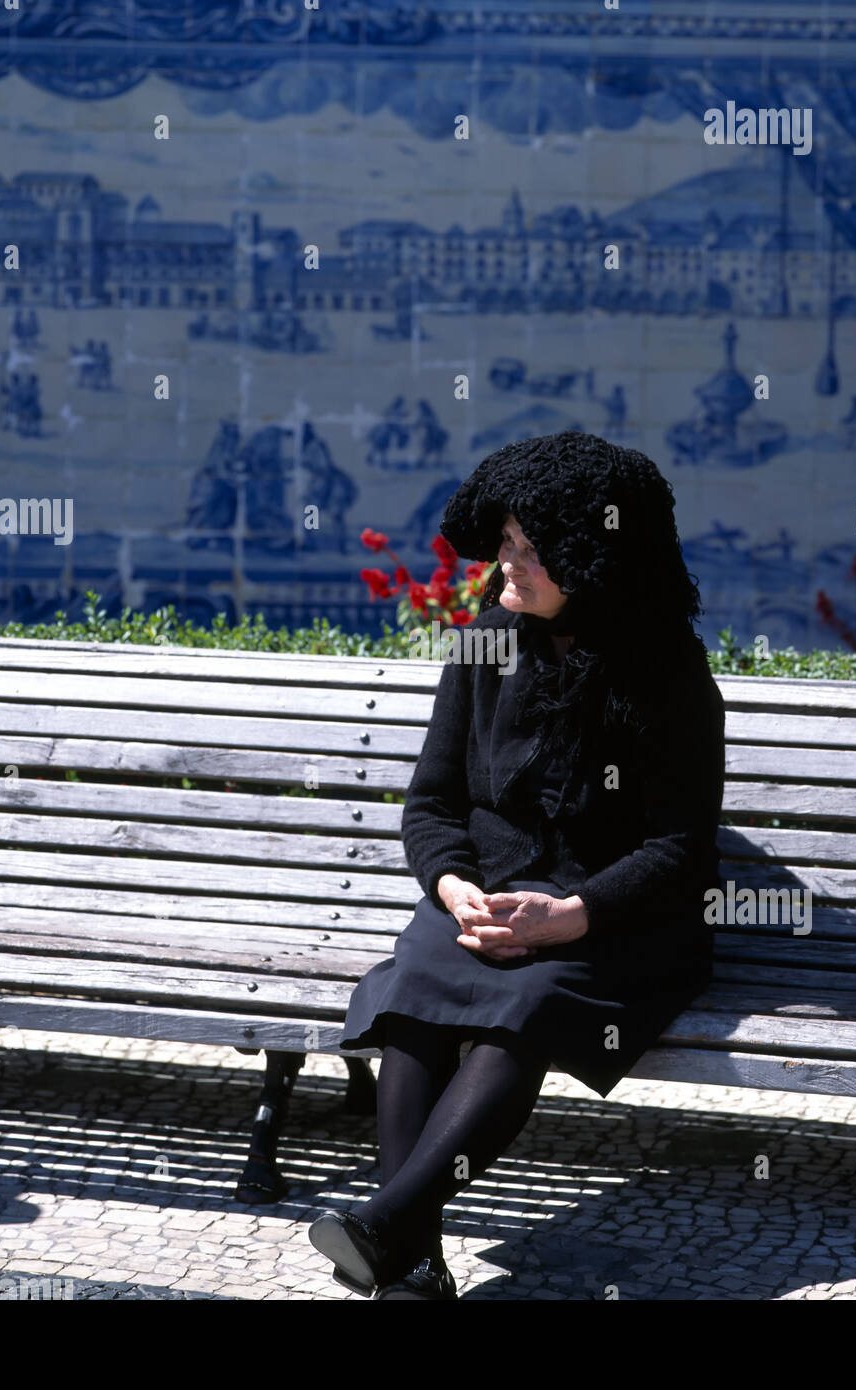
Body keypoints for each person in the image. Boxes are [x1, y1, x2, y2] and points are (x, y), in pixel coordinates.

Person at [309, 429, 726, 1299]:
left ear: (593, 555)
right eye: (504, 543)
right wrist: (453, 886)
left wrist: (570, 916)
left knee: (524, 1008)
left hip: (617, 924)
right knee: (416, 988)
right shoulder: (484, 644)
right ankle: (413, 1262)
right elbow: (430, 804)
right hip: (486, 899)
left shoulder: (667, 671)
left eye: (531, 551)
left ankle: (390, 1224)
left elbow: (680, 850)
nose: (507, 564)